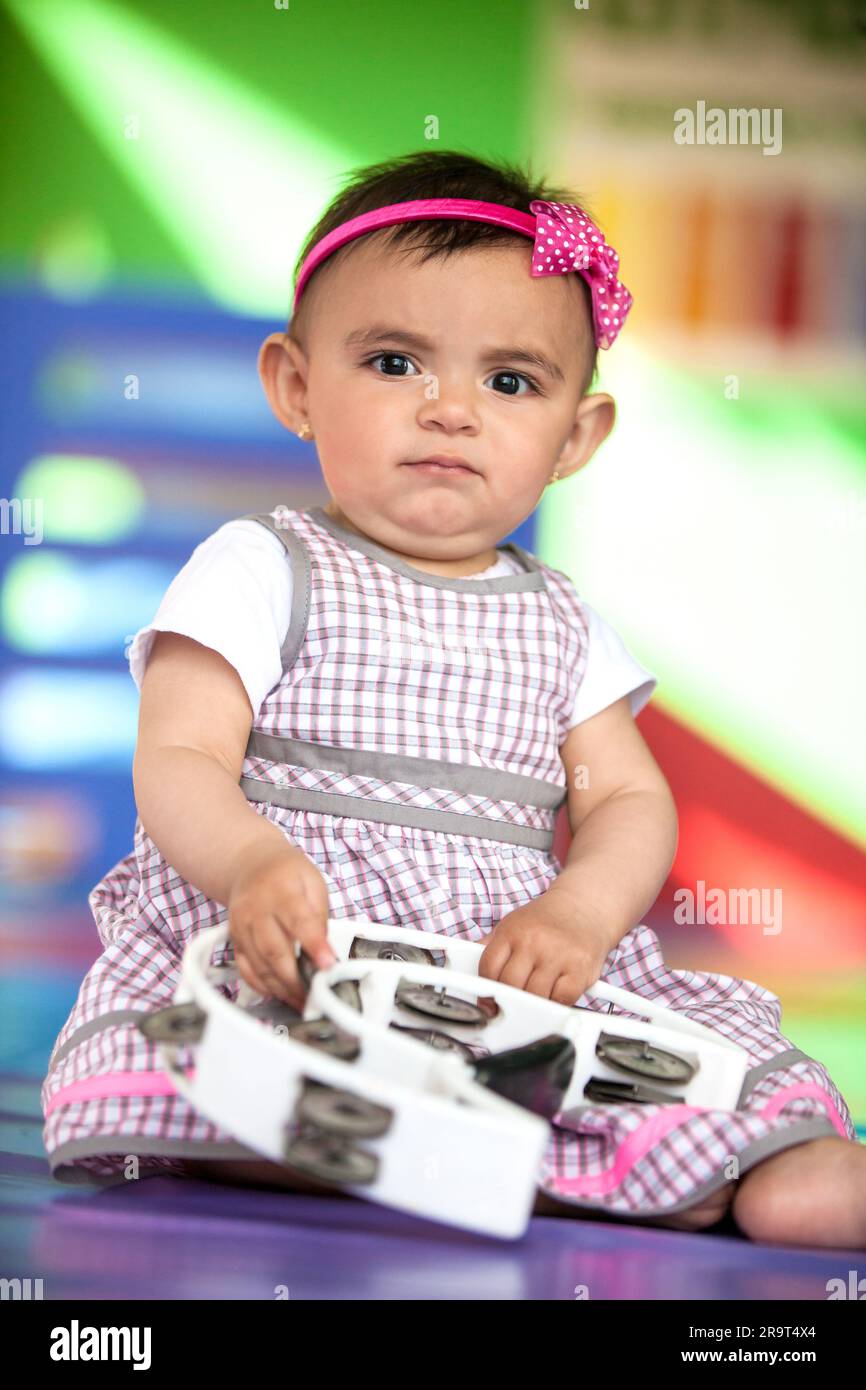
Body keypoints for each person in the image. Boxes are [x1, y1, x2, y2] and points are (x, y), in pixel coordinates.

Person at [41, 150, 864, 1247]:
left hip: (502, 966)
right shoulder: (261, 564)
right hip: (310, 948)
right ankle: (501, 1153)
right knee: (224, 1068)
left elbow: (625, 801)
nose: (449, 411)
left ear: (575, 436)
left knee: (727, 1088)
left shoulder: (565, 621)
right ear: (294, 386)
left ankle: (730, 1155)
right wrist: (250, 864)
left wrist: (578, 912)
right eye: (393, 362)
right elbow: (181, 755)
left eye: (510, 381)